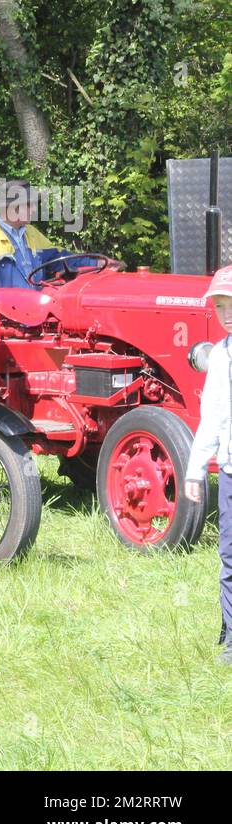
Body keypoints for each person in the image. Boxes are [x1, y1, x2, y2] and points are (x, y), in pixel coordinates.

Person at [184, 264, 232, 665]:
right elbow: (212, 415)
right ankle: (231, 636)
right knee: (229, 556)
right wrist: (195, 469)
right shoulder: (219, 355)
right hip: (231, 470)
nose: (226, 313)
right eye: (219, 306)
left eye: (230, 303)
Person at [0, 179, 62, 291]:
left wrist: (88, 259)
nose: (33, 209)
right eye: (29, 205)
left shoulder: (31, 232)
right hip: (5, 309)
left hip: (37, 307)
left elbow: (60, 257)